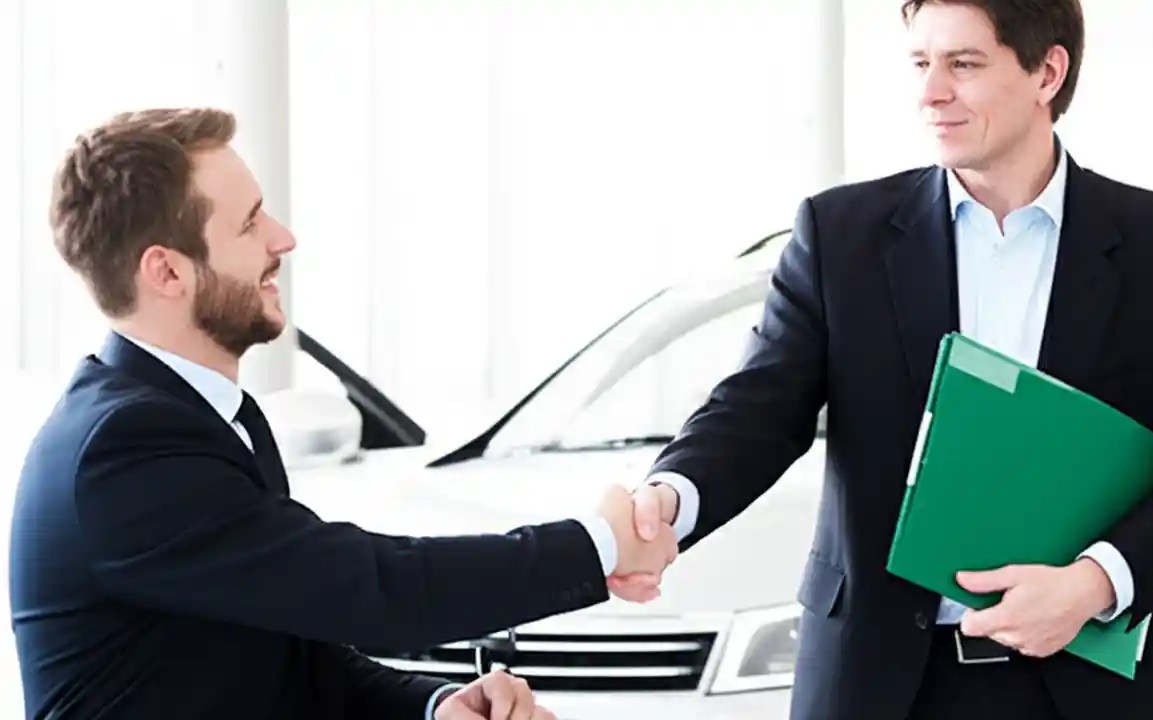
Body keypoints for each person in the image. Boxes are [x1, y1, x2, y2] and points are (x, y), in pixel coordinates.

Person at [606, 0, 1153, 718]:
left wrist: (1095, 582)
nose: (930, 92)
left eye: (963, 64)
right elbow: (755, 411)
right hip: (878, 683)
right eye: (921, 62)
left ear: (1048, 72)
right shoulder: (840, 236)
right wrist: (670, 499)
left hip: (1088, 686)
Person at [9, 107, 678, 720]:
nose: (283, 238)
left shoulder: (196, 418)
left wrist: (436, 707)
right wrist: (599, 545)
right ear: (167, 273)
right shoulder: (123, 449)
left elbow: (296, 657)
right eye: (250, 223)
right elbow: (375, 589)